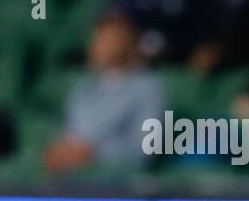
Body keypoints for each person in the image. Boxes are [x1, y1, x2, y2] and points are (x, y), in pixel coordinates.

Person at [43, 10, 166, 176]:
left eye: (107, 39)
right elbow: (69, 135)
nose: (98, 45)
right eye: (97, 38)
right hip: (74, 181)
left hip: (118, 186)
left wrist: (93, 153)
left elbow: (143, 150)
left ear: (128, 41)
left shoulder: (149, 89)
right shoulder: (82, 88)